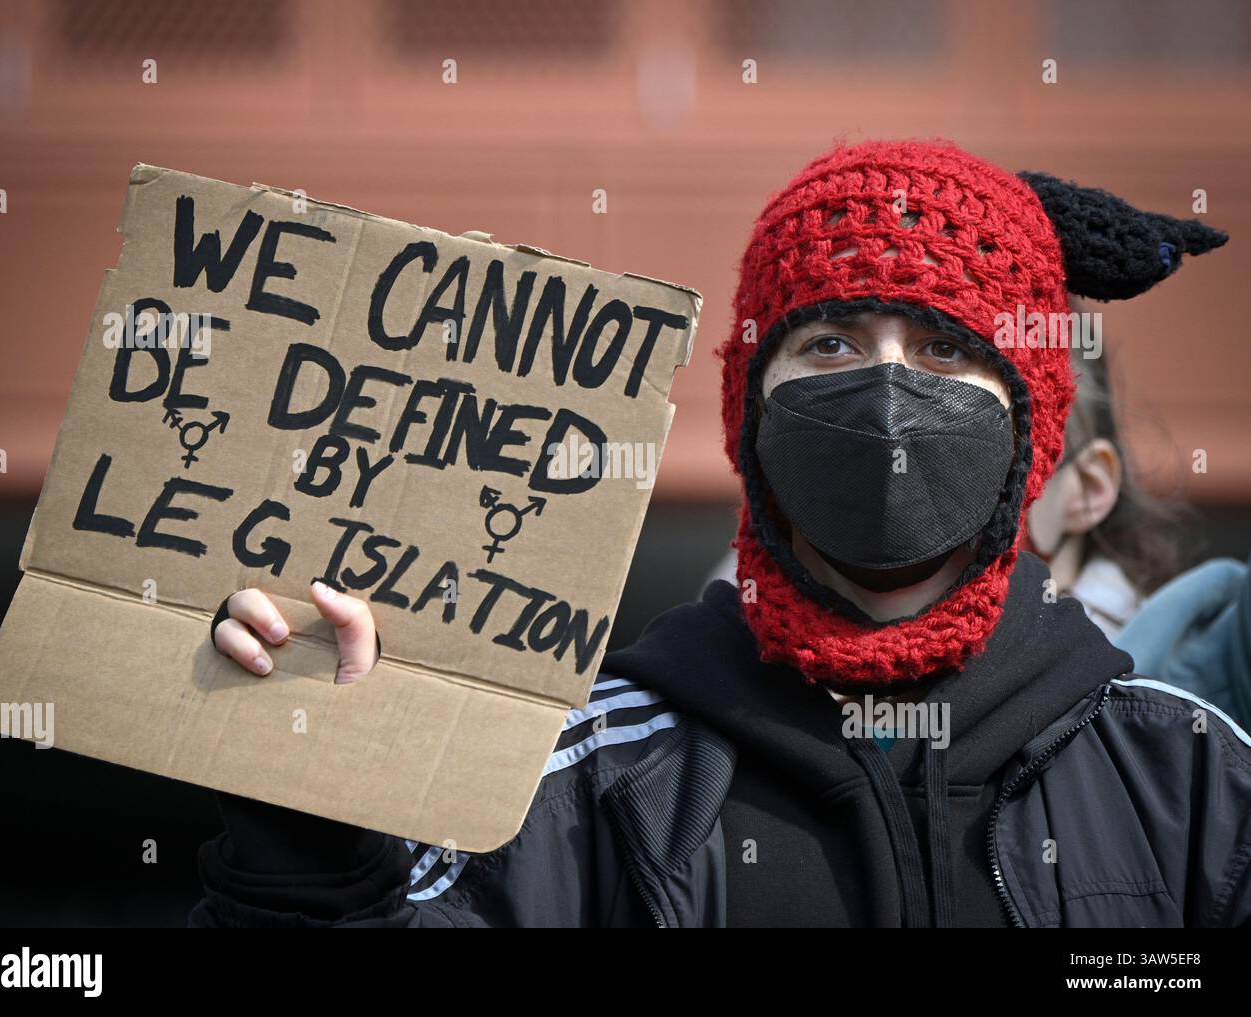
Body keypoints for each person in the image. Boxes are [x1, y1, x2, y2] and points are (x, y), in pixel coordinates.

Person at [192, 139, 1251, 928]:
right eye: (831, 341)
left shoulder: (1183, 776)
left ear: (1034, 419)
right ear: (749, 409)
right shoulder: (578, 779)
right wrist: (306, 846)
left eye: (940, 348)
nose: (886, 391)